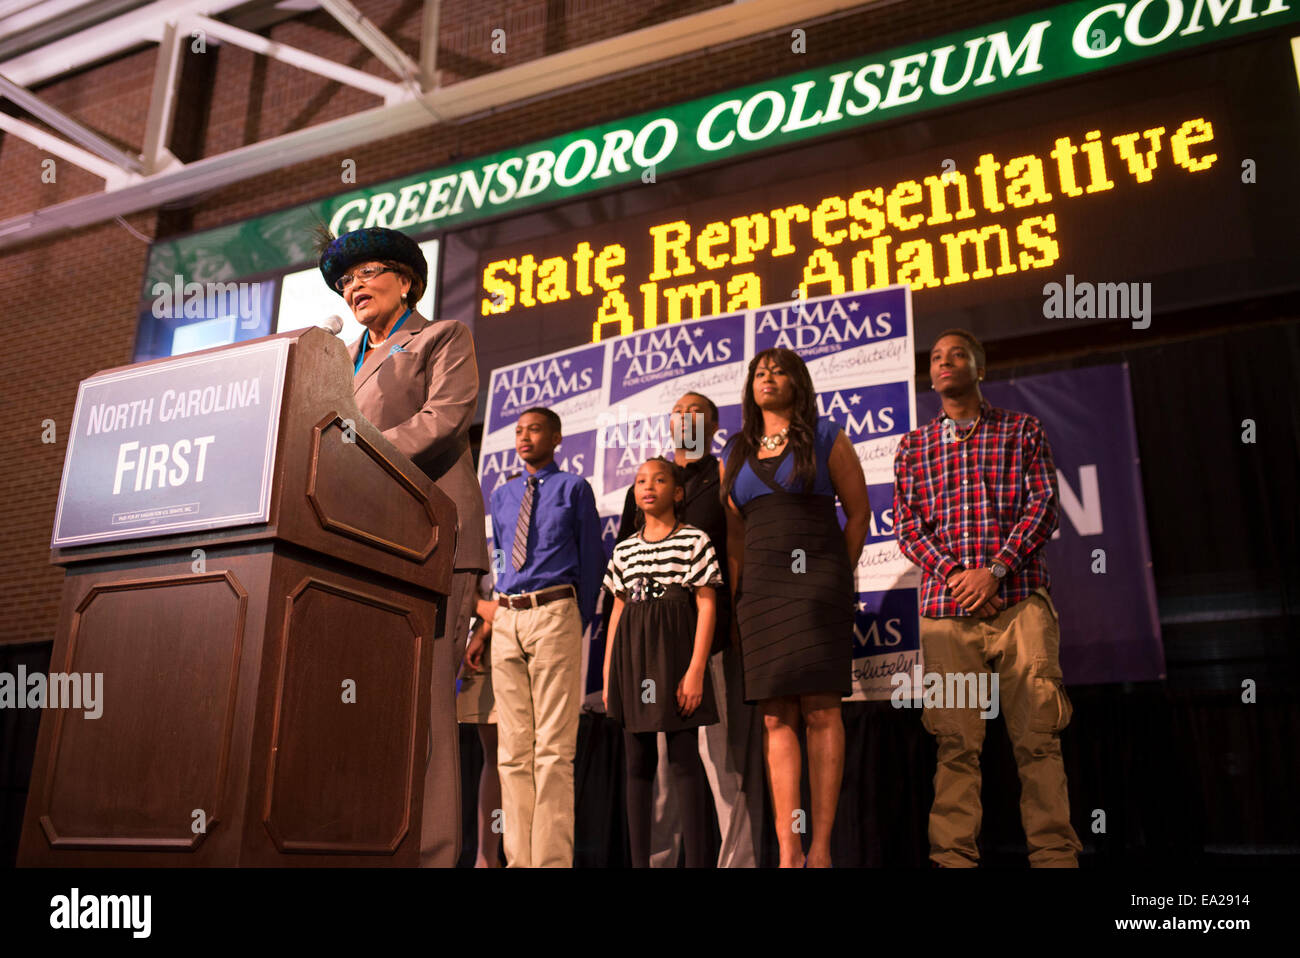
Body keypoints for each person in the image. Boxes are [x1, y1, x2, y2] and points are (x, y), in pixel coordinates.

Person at [317, 225, 488, 868]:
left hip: (433, 540)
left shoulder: (442, 338)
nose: (352, 286)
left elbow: (445, 418)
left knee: (429, 713)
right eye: (344, 281)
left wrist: (355, 450)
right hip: (362, 543)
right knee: (370, 704)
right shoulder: (335, 362)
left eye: (365, 274)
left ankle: (436, 855)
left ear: (405, 280)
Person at [893, 328, 1081, 868]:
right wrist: (958, 575)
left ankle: (1055, 858)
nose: (945, 362)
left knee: (1039, 740)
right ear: (930, 376)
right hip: (947, 614)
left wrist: (994, 572)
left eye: (958, 354)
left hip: (1019, 603)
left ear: (981, 368)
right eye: (936, 357)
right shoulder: (913, 446)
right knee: (956, 747)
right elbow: (908, 528)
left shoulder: (1023, 429)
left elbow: (1043, 505)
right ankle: (952, 860)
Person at [720, 348, 870, 868]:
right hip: (759, 596)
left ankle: (822, 850)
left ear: (798, 383)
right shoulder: (734, 452)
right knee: (774, 719)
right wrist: (739, 605)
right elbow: (735, 540)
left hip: (816, 590)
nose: (767, 377)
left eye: (779, 370)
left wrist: (835, 576)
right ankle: (789, 852)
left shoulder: (826, 437)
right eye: (760, 372)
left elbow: (859, 513)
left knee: (822, 711)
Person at [605, 392, 764, 867]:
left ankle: (733, 861)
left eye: (696, 412)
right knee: (655, 773)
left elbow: (736, 548)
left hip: (706, 636)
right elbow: (622, 590)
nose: (685, 418)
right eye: (677, 412)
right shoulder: (654, 481)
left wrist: (733, 618)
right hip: (645, 649)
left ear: (714, 424)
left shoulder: (724, 476)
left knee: (717, 762)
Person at [489, 406, 604, 867]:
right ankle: (519, 860)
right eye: (518, 430)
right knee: (512, 753)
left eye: (534, 429)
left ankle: (551, 862)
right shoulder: (500, 495)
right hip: (507, 617)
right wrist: (494, 614)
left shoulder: (573, 488)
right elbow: (499, 554)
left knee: (553, 750)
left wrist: (577, 618)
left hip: (555, 610)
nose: (523, 437)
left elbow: (591, 558)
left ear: (556, 437)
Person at [602, 457, 722, 868]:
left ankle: (699, 861)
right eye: (640, 480)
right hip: (632, 660)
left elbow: (707, 606)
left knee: (684, 759)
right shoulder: (624, 549)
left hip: (674, 656)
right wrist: (607, 675)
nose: (648, 485)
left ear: (678, 491)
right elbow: (617, 612)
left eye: (659, 478)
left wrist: (694, 671)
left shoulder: (694, 541)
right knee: (637, 762)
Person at [457, 571, 502, 867]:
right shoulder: (472, 525)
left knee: (526, 755)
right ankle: (487, 856)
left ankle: (518, 852)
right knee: (495, 756)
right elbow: (463, 589)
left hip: (529, 629)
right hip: (489, 638)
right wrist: (484, 623)